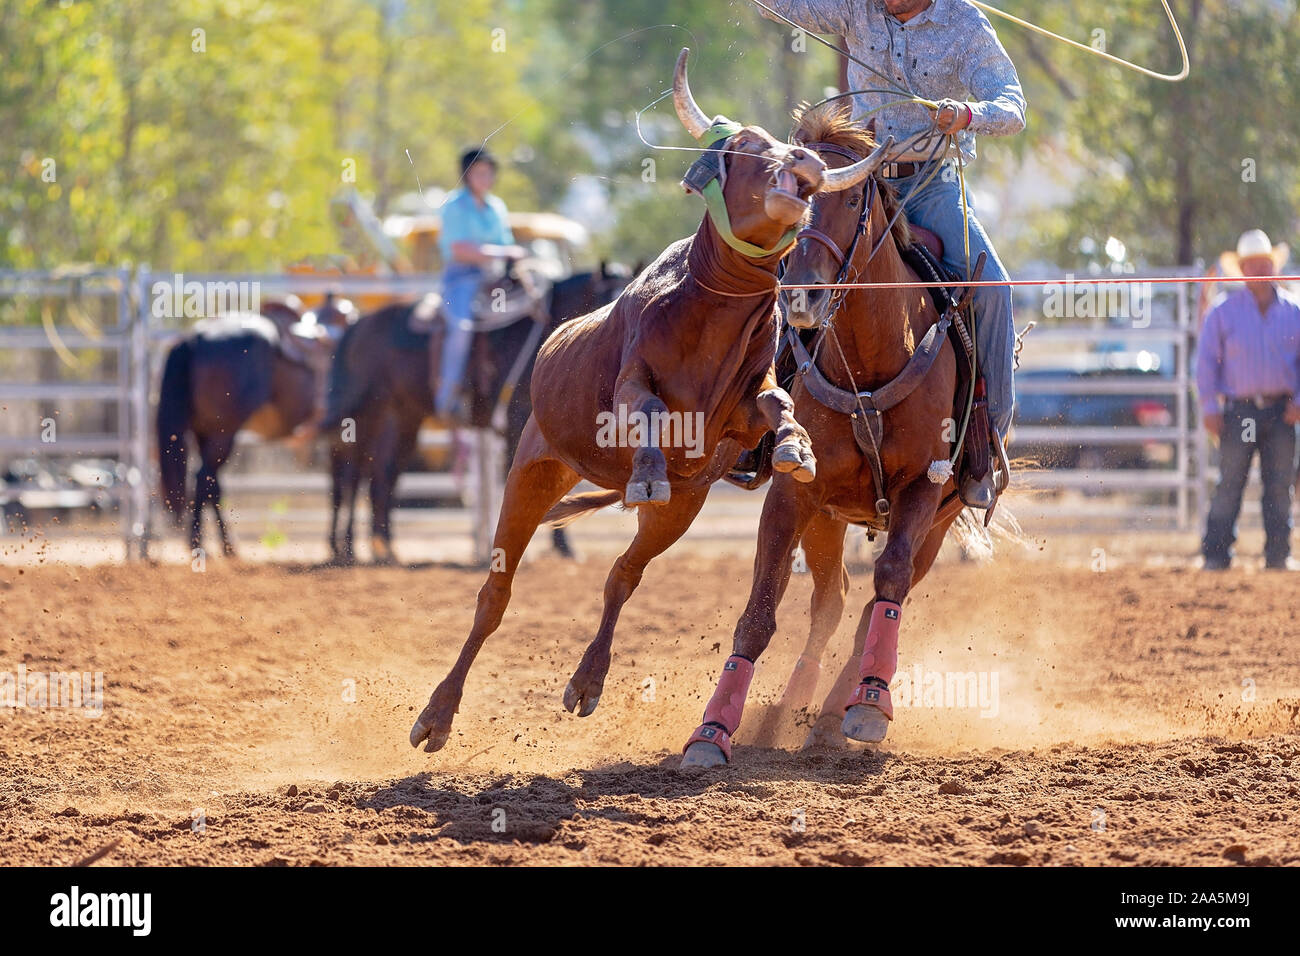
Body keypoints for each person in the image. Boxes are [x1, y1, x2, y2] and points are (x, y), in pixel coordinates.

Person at [763, 0, 1025, 506]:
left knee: (993, 286)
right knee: (789, 267)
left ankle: (984, 446)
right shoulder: (856, 8)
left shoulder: (964, 23)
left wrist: (967, 114)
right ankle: (766, 423)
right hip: (856, 183)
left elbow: (1013, 106)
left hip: (931, 186)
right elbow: (787, 7)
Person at [1196, 229, 1300, 570]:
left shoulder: (1294, 311)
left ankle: (1278, 555)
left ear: (1272, 265)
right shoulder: (1223, 313)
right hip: (1241, 414)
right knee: (1231, 480)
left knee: (1279, 484)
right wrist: (1210, 406)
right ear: (1241, 269)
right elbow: (1207, 362)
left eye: (1263, 264)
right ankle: (1215, 554)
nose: (1257, 270)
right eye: (1251, 265)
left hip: (1281, 410)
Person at [435, 147, 526, 420]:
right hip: (461, 279)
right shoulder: (453, 206)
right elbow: (460, 249)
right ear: (467, 176)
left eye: (489, 173)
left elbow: (507, 244)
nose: (486, 178)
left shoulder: (496, 207)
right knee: (461, 327)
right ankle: (446, 398)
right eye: (479, 173)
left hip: (493, 278)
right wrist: (502, 253)